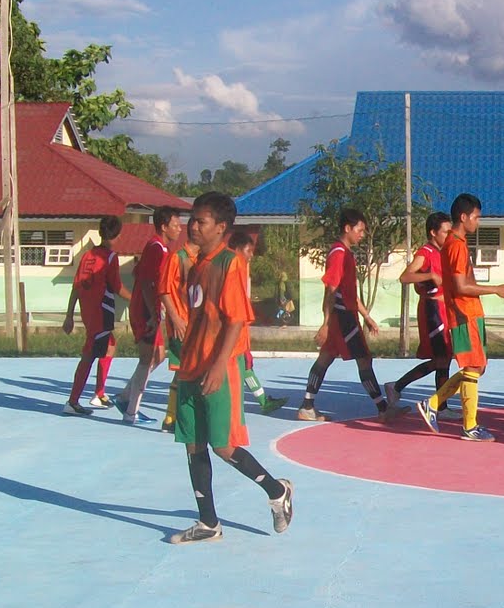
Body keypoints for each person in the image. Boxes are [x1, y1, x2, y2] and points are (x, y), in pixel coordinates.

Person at [169, 191, 293, 544]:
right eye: (192, 218)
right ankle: (208, 523)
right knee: (193, 445)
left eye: (201, 221)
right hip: (191, 367)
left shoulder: (229, 264)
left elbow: (236, 320)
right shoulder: (197, 267)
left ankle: (276, 490)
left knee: (222, 445)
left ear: (220, 227)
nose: (192, 225)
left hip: (217, 367)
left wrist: (220, 364)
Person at [414, 192, 504, 441]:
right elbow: (459, 287)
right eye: (476, 217)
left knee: (475, 367)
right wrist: (496, 289)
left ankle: (434, 403)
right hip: (463, 314)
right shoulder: (456, 246)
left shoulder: (456, 244)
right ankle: (469, 426)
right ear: (464, 216)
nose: (478, 222)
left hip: (468, 313)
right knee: (472, 367)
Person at [296, 208, 395, 422]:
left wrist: (367, 317)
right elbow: (331, 290)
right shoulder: (339, 254)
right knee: (364, 360)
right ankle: (383, 409)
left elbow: (347, 292)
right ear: (347, 228)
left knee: (325, 358)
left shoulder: (346, 253)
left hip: (344, 315)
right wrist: (325, 323)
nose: (362, 234)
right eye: (359, 230)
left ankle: (307, 406)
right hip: (343, 318)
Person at [114, 206, 181, 425]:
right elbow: (145, 281)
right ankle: (131, 412)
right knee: (146, 358)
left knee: (158, 356)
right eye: (175, 225)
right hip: (145, 310)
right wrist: (153, 314)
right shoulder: (156, 249)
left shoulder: (159, 248)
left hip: (149, 309)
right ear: (164, 227)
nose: (179, 229)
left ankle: (125, 397)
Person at [61, 215, 130, 415]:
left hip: (88, 311)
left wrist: (69, 315)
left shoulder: (87, 256)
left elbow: (76, 286)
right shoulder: (109, 257)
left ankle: (99, 394)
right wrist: (138, 301)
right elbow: (117, 287)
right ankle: (73, 401)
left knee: (109, 346)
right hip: (102, 312)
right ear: (117, 236)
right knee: (89, 355)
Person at [386, 211, 453, 411]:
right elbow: (405, 277)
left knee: (445, 359)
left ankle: (440, 406)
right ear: (433, 232)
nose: (449, 236)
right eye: (445, 232)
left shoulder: (444, 253)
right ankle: (399, 387)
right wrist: (430, 275)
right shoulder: (425, 253)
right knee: (441, 359)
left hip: (444, 309)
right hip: (432, 310)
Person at [227, 227, 287, 416]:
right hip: (234, 328)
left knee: (244, 365)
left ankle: (261, 400)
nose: (251, 255)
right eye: (248, 251)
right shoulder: (231, 266)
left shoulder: (241, 267)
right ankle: (260, 401)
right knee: (242, 365)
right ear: (237, 249)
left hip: (240, 327)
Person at [157, 235, 197, 434]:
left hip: (196, 325)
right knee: (185, 372)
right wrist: (176, 319)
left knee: (185, 372)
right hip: (181, 325)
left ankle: (172, 417)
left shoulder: (202, 258)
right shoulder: (177, 257)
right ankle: (173, 416)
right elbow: (164, 291)